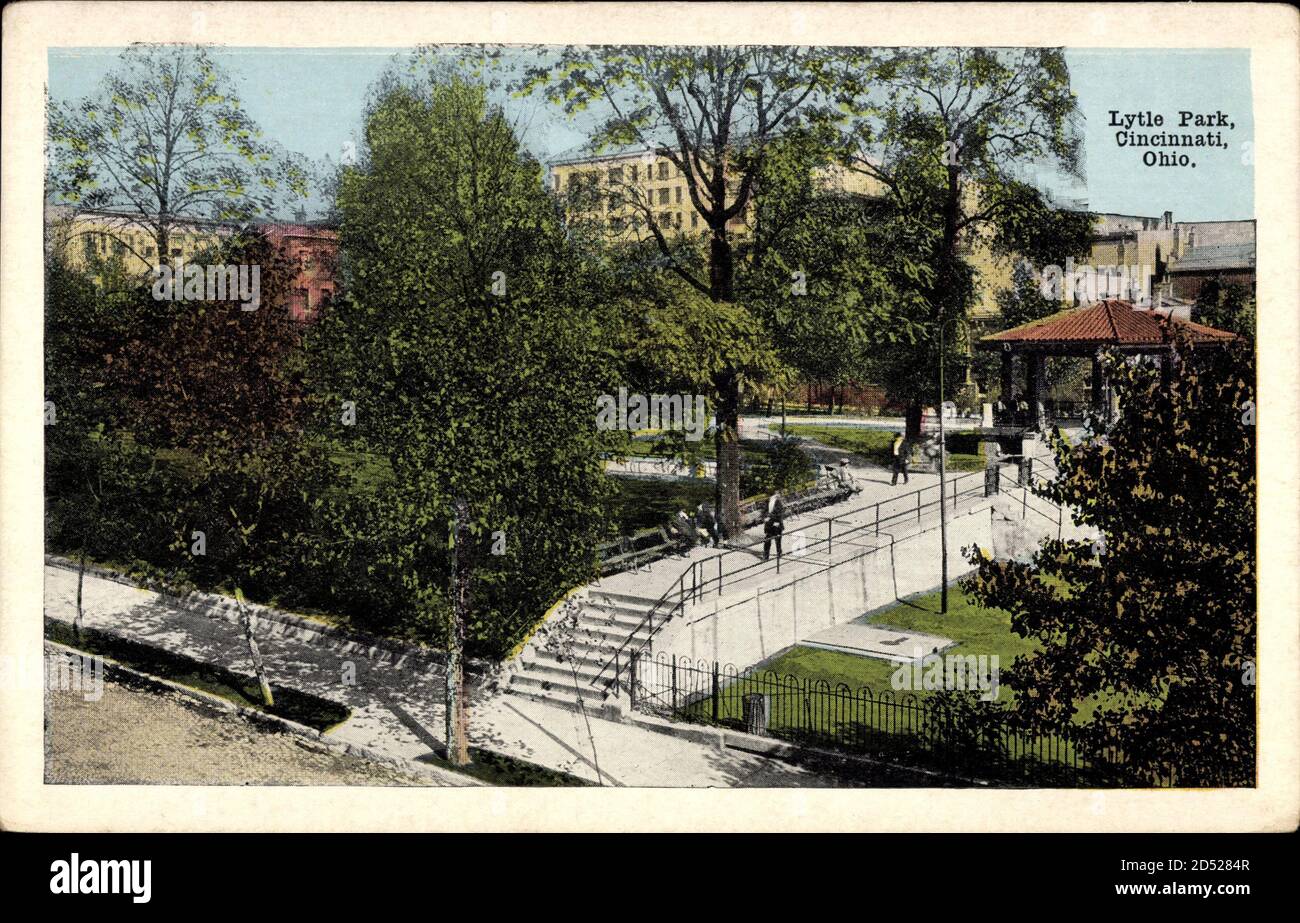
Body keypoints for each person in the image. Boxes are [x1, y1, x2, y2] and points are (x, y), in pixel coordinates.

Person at [762, 491, 786, 561]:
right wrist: (765, 517)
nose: (770, 497)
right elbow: (764, 511)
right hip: (769, 524)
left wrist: (776, 521)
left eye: (772, 496)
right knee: (767, 540)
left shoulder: (778, 502)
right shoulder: (767, 502)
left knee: (778, 540)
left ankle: (779, 553)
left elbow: (780, 514)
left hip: (776, 524)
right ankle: (766, 557)